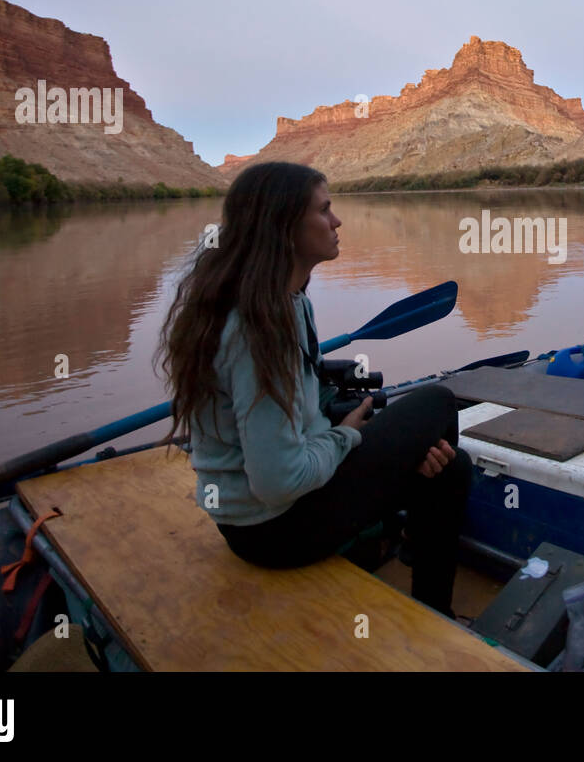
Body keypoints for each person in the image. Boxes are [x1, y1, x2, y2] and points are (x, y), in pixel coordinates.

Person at [156, 162, 472, 618]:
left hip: (255, 515)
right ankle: (406, 543)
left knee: (450, 468)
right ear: (284, 226)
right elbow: (277, 481)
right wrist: (345, 435)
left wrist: (332, 414)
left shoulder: (280, 298)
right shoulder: (259, 329)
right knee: (438, 401)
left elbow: (292, 404)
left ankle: (431, 608)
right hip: (274, 529)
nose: (337, 222)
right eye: (324, 210)